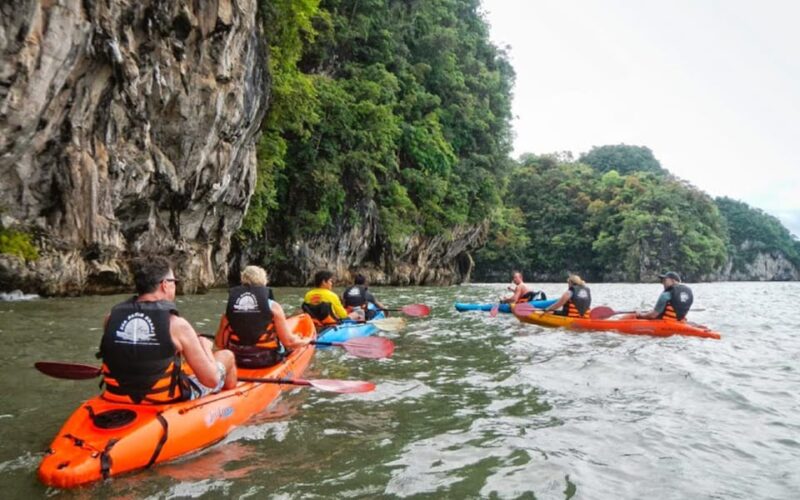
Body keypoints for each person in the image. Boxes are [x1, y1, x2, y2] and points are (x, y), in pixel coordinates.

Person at [99, 256, 237, 404]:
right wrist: (205, 347)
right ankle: (234, 398)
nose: (175, 286)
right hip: (161, 401)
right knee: (227, 355)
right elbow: (211, 380)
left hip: (116, 398)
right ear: (165, 284)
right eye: (174, 282)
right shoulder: (177, 325)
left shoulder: (111, 318)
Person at [215, 265, 310, 368]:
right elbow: (289, 342)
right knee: (293, 346)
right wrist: (306, 341)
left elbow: (219, 344)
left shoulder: (231, 307)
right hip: (266, 360)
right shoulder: (273, 307)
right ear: (264, 281)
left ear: (243, 281)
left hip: (237, 360)